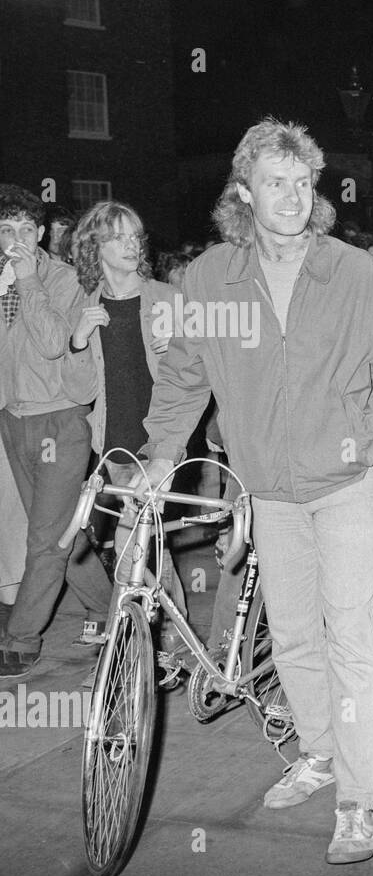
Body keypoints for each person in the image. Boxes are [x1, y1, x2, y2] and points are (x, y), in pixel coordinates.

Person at [134, 118, 373, 865]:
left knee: (352, 637)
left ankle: (357, 802)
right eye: (276, 183)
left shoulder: (357, 274)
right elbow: (182, 382)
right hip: (269, 491)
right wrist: (159, 459)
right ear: (245, 192)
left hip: (348, 480)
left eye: (303, 184)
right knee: (294, 635)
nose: (293, 197)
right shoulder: (208, 280)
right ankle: (320, 756)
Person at [0, 184, 109, 685]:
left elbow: (50, 344)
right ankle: (113, 606)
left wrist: (28, 282)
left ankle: (21, 639)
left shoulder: (62, 279)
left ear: (42, 233)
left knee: (45, 538)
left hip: (61, 421)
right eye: (7, 231)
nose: (17, 240)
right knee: (61, 531)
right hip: (13, 418)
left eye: (26, 230)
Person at [67, 201, 188, 648]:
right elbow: (79, 392)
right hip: (114, 444)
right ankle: (172, 631)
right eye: (119, 236)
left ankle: (127, 647)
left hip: (162, 443)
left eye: (135, 236)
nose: (131, 245)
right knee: (148, 539)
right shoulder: (86, 306)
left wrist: (179, 344)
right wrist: (78, 340)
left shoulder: (169, 299)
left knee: (130, 541)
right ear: (94, 245)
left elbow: (204, 374)